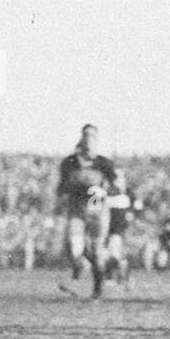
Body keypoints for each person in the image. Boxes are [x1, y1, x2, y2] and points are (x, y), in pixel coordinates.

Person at [55, 124, 115, 299]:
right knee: (75, 247)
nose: (89, 139)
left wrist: (102, 191)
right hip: (77, 209)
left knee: (96, 250)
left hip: (97, 209)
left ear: (97, 140)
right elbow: (61, 187)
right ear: (81, 138)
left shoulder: (104, 163)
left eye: (92, 136)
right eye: (86, 135)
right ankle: (79, 273)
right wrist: (74, 188)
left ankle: (98, 287)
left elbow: (115, 187)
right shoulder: (70, 162)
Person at [103, 170, 138, 290]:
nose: (117, 180)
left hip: (120, 229)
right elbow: (93, 206)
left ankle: (122, 279)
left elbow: (136, 210)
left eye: (119, 177)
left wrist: (131, 216)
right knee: (109, 255)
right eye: (114, 177)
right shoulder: (103, 192)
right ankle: (116, 279)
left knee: (116, 254)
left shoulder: (129, 193)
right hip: (105, 229)